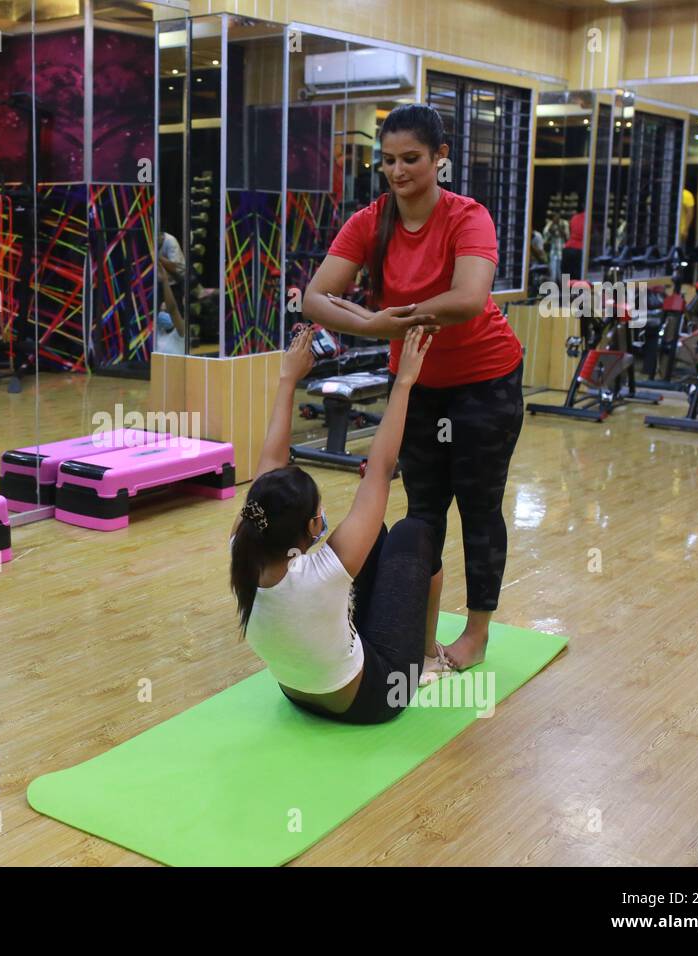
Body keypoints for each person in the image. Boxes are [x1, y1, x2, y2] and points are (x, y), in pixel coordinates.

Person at [304, 103, 524, 671]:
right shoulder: (370, 221)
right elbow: (315, 297)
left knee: (479, 507)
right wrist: (373, 325)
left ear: (440, 158)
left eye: (411, 159)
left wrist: (393, 318)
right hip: (418, 385)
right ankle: (420, 634)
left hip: (486, 379)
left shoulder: (466, 216)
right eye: (388, 161)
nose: (398, 171)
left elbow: (469, 298)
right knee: (423, 511)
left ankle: (476, 633)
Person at [230, 326, 446, 725]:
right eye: (320, 511)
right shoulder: (323, 572)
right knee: (412, 533)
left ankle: (401, 650)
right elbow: (379, 471)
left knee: (377, 539)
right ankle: (429, 655)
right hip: (372, 701)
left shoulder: (244, 544)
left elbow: (269, 466)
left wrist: (288, 378)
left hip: (297, 692)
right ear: (312, 525)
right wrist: (404, 383)